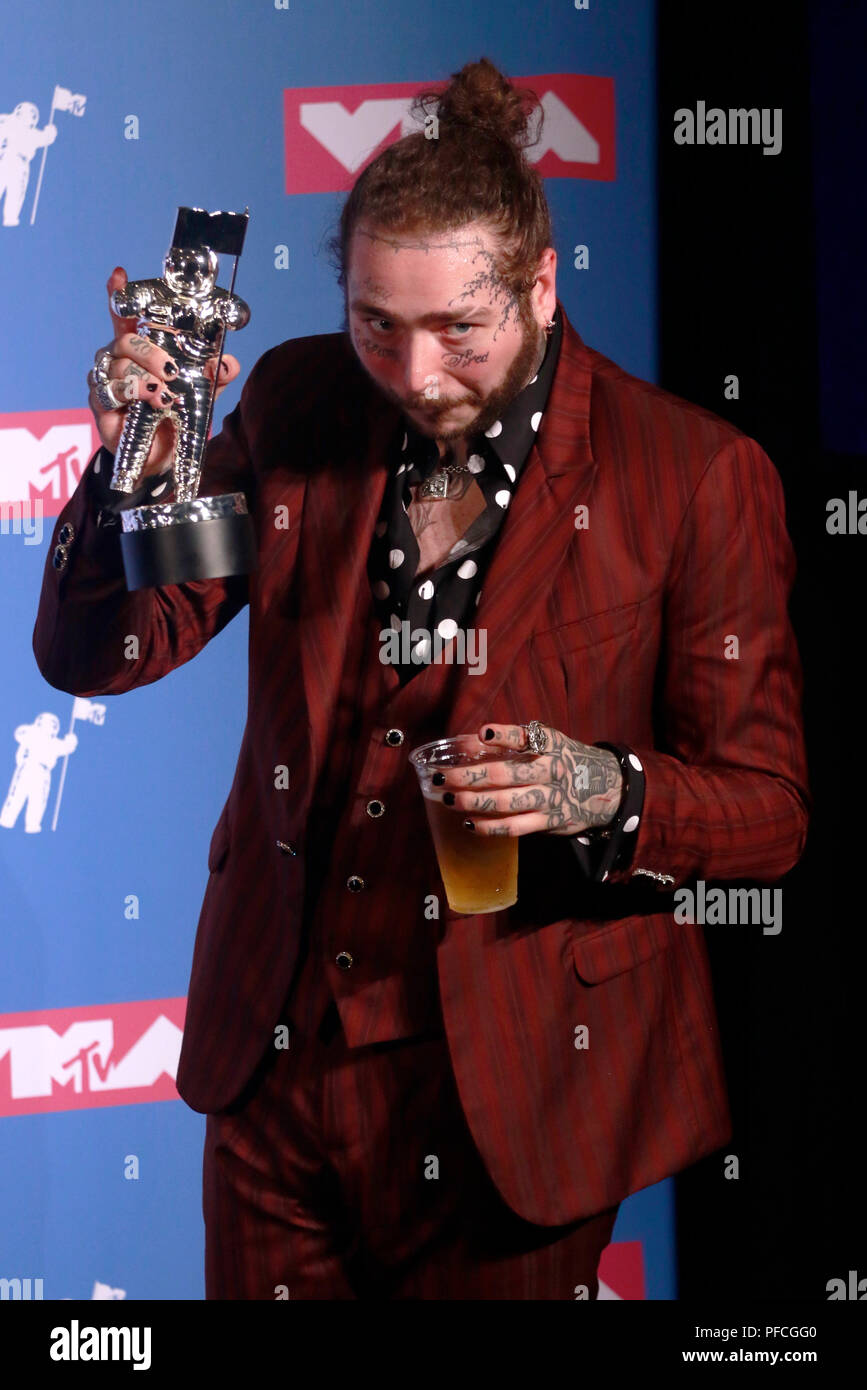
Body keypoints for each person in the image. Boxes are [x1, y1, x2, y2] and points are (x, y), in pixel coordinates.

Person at [33, 58, 810, 1300]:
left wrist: (599, 788)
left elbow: (769, 810)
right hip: (276, 1068)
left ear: (543, 288)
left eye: (460, 328)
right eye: (377, 325)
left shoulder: (691, 475)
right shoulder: (298, 401)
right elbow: (104, 649)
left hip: (512, 1089)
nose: (415, 372)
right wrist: (135, 467)